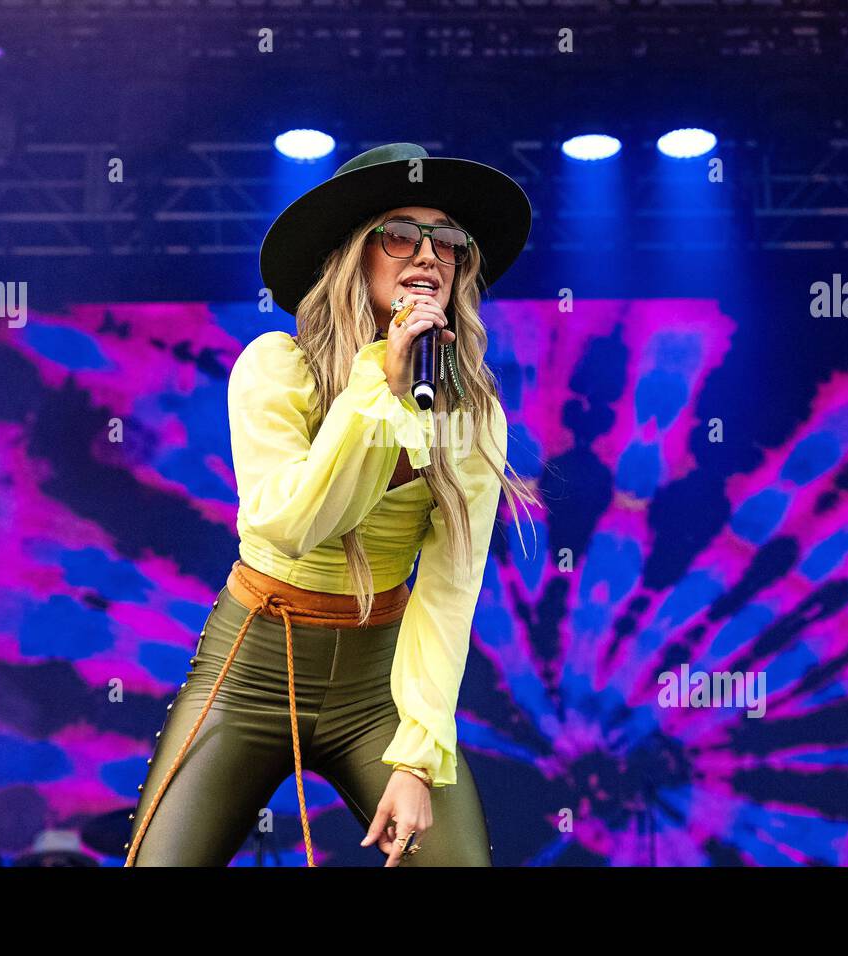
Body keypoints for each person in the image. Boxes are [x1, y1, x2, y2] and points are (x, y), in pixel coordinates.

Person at [124, 143, 538, 867]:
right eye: (401, 233)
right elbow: (289, 524)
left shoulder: (471, 412)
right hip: (253, 664)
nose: (429, 254)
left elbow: (448, 593)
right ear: (354, 255)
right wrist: (380, 381)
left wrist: (414, 763)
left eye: (448, 240)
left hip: (378, 686)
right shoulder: (277, 368)